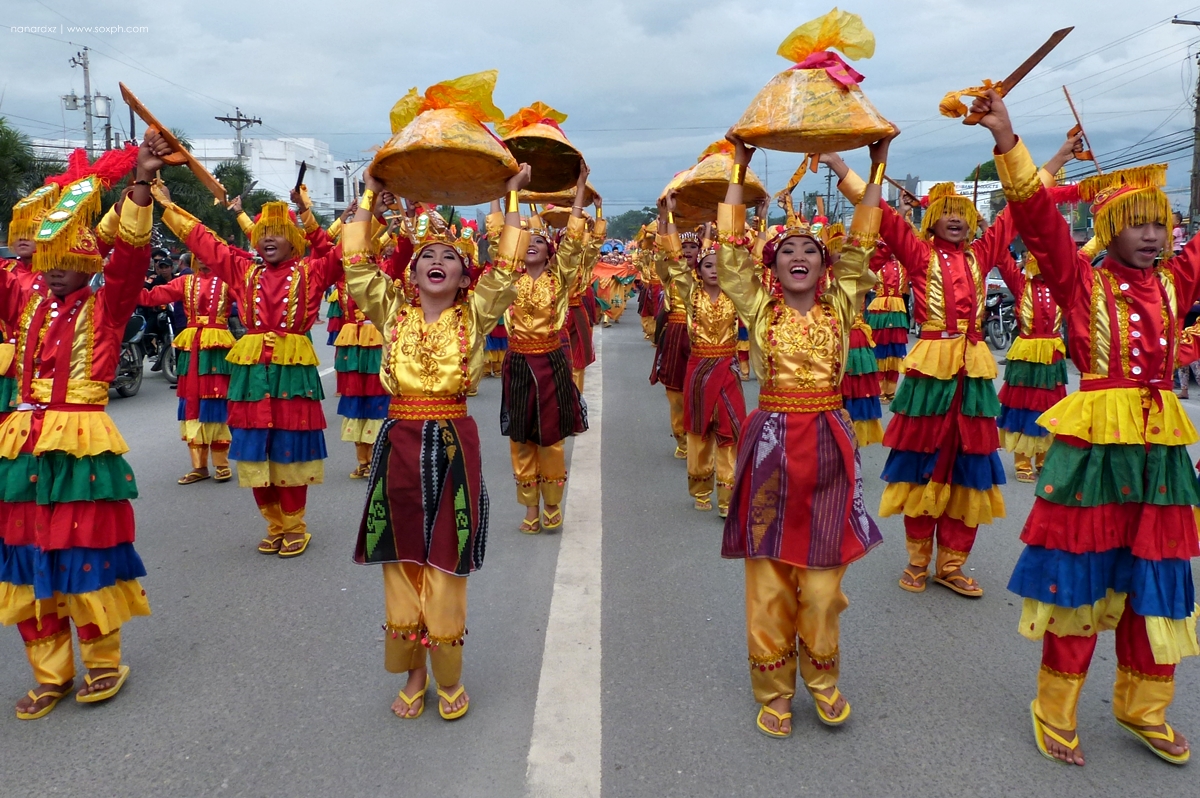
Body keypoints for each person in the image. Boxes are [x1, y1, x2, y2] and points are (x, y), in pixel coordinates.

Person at [979, 88, 1199, 767]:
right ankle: (1055, 707)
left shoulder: (1176, 285)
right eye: (1138, 224)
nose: (1154, 235)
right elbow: (1038, 220)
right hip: (1092, 454)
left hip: (1159, 459)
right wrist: (1008, 139)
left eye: (1161, 223)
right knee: (1079, 583)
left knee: (1157, 588)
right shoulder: (1080, 282)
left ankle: (1142, 708)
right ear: (1109, 231)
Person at [719, 129, 891, 738]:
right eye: (787, 247)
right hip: (768, 445)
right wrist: (738, 166)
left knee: (821, 588)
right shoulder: (759, 309)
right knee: (768, 583)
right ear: (773, 265)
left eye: (810, 249)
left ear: (825, 264)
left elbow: (865, 245)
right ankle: (773, 689)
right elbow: (730, 253)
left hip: (827, 443)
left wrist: (877, 169)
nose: (798, 254)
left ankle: (822, 679)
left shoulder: (842, 305)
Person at [343, 165, 525, 722]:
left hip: (451, 439)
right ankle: (413, 670)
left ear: (466, 275)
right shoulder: (390, 313)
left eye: (449, 257)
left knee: (445, 559)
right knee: (401, 557)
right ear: (411, 274)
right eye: (427, 257)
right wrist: (370, 194)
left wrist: (512, 196)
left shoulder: (475, 313)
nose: (437, 262)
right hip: (397, 438)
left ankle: (446, 671)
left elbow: (510, 265)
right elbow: (355, 263)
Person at [0, 135, 165, 720]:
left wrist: (139, 181)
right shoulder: (24, 298)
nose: (58, 273)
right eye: (51, 261)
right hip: (22, 449)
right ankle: (50, 674)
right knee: (27, 558)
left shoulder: (109, 305)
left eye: (72, 261)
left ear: (90, 263)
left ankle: (100, 664)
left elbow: (131, 258)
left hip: (79, 450)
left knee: (82, 556)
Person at [822, 145, 1016, 598]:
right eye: (947, 213)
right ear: (932, 220)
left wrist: (1053, 161)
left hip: (972, 374)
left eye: (963, 215)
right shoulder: (918, 254)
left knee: (969, 468)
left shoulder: (980, 256)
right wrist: (840, 167)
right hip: (930, 372)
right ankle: (916, 560)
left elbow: (1017, 216)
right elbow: (884, 215)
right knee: (922, 465)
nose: (956, 220)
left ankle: (952, 563)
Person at [156, 179, 343, 558]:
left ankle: (294, 527)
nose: (267, 240)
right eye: (262, 235)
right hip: (252, 372)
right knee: (256, 450)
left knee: (290, 451)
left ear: (293, 240)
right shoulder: (244, 272)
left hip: (292, 373)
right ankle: (273, 525)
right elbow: (203, 241)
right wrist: (166, 205)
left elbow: (340, 253)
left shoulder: (313, 272)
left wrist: (307, 213)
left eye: (277, 234)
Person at [488, 166, 589, 534]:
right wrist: (504, 191)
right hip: (517, 362)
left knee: (551, 439)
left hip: (550, 362)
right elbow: (505, 234)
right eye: (526, 240)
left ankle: (551, 503)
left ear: (550, 252)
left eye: (540, 241)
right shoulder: (510, 277)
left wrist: (578, 189)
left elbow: (575, 241)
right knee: (521, 439)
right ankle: (529, 508)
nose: (531, 242)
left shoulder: (559, 279)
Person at [656, 198, 746, 517]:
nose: (714, 271)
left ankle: (728, 493)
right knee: (700, 433)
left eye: (720, 266)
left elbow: (755, 263)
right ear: (698, 269)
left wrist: (758, 221)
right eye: (708, 265)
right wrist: (667, 215)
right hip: (698, 369)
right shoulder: (689, 291)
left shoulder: (737, 295)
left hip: (728, 368)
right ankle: (701, 488)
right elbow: (673, 256)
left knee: (729, 433)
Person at [138, 253, 236, 484]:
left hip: (217, 348)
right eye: (198, 255)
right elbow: (154, 296)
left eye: (207, 253)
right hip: (192, 347)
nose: (203, 259)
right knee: (192, 402)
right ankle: (199, 466)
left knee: (217, 401)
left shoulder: (228, 282)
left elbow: (249, 301)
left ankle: (222, 463)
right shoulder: (185, 282)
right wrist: (126, 286)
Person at [651, 222, 699, 459]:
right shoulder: (670, 273)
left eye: (693, 246)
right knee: (676, 393)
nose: (688, 250)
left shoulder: (710, 274)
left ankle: (699, 439)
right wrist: (663, 220)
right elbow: (661, 256)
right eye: (683, 246)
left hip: (701, 340)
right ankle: (681, 438)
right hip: (675, 335)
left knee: (699, 392)